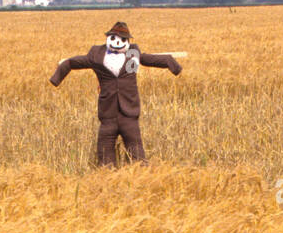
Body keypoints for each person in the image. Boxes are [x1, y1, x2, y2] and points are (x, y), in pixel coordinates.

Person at [49, 21, 183, 167]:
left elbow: (153, 59)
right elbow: (71, 63)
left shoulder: (133, 53)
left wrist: (174, 66)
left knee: (137, 152)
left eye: (122, 39)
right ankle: (107, 177)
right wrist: (56, 78)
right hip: (107, 114)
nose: (117, 42)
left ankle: (142, 177)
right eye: (113, 38)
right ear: (108, 38)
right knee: (104, 153)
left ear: (128, 41)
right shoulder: (95, 55)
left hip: (129, 114)